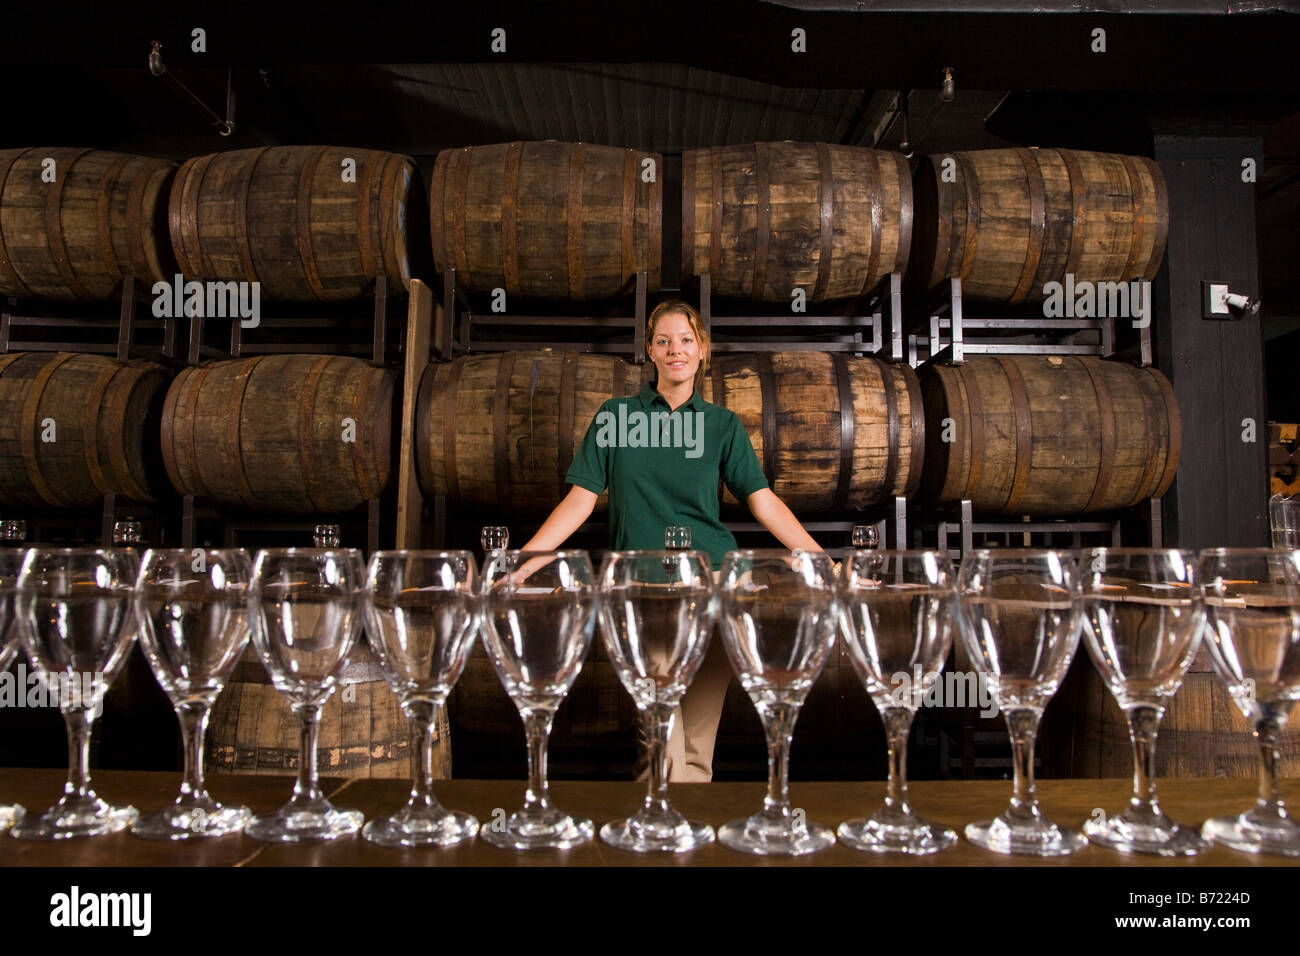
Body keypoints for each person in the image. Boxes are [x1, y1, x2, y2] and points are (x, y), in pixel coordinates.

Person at [517, 298, 828, 782]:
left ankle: (684, 849)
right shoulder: (615, 418)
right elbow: (579, 501)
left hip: (718, 587)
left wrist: (824, 563)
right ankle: (660, 843)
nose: (675, 349)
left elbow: (763, 501)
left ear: (702, 350)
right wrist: (526, 562)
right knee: (662, 740)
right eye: (664, 341)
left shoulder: (721, 425)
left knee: (698, 749)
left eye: (686, 340)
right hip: (644, 590)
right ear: (650, 351)